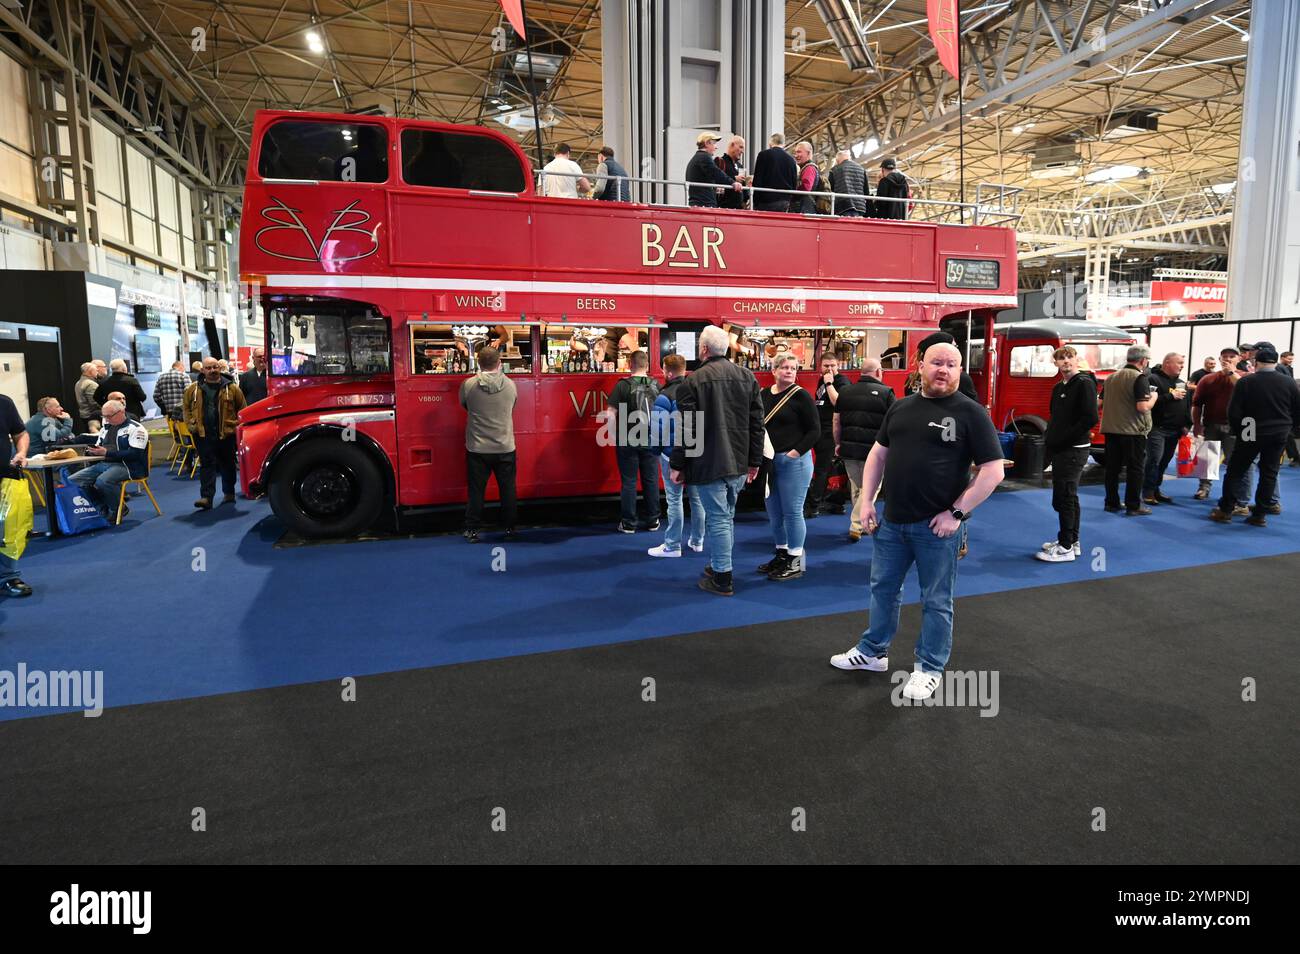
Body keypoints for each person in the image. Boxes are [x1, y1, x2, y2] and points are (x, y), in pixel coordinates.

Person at [829, 342, 1003, 700]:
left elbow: (993, 471)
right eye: (936, 362)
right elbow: (879, 453)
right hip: (892, 523)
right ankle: (874, 651)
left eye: (952, 365)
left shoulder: (971, 413)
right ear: (919, 366)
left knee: (936, 600)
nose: (944, 370)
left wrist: (956, 512)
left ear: (959, 371)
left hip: (937, 529)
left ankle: (929, 668)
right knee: (883, 590)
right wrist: (866, 502)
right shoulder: (901, 407)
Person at [669, 325, 765, 597]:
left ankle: (723, 576)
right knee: (726, 517)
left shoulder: (693, 381)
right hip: (738, 461)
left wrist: (678, 464)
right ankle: (718, 565)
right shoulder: (748, 377)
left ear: (704, 349)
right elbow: (757, 424)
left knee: (720, 519)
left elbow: (688, 428)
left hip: (708, 463)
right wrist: (754, 460)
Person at [1210, 346, 1300, 527]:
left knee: (1236, 471)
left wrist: (1239, 430)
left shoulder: (1246, 381)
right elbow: (1297, 410)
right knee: (1269, 473)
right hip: (1278, 433)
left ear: (1255, 362)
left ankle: (1226, 510)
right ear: (1275, 362)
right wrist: (1289, 428)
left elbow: (1234, 411)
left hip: (1250, 430)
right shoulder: (1289, 382)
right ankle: (1260, 514)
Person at [759, 355, 820, 581]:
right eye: (784, 367)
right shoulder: (764, 394)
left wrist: (794, 453)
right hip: (770, 461)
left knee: (793, 512)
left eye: (793, 368)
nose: (789, 371)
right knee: (774, 513)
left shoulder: (801, 396)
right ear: (774, 370)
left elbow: (814, 431)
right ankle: (782, 553)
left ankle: (796, 561)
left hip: (794, 463)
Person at [1037, 347, 1098, 562]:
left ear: (1076, 360)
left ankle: (1065, 548)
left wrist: (1064, 439)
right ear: (1055, 363)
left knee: (1065, 496)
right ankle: (1071, 540)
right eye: (1061, 358)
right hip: (1061, 449)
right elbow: (1055, 417)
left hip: (1074, 450)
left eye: (1069, 357)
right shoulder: (1058, 387)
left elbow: (1090, 418)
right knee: (1064, 496)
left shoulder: (1084, 383)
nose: (1066, 361)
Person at [459, 346, 518, 543]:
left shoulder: (468, 385)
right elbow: (512, 406)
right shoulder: (510, 385)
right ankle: (509, 528)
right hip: (505, 447)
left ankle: (472, 530)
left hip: (477, 447)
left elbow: (464, 405)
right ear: (499, 363)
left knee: (476, 491)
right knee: (507, 489)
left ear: (479, 363)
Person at [647, 354, 704, 558]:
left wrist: (655, 451)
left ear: (668, 372)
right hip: (696, 453)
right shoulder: (696, 391)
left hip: (671, 455)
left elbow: (657, 430)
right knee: (697, 499)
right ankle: (697, 541)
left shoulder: (665, 396)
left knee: (674, 499)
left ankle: (672, 545)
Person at [833, 357, 895, 542]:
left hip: (849, 449)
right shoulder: (887, 393)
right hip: (875, 451)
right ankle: (857, 524)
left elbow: (836, 421)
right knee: (871, 488)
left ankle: (862, 521)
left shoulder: (844, 392)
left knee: (858, 486)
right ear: (878, 372)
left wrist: (838, 443)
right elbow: (894, 423)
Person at [605, 350, 661, 533]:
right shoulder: (656, 385)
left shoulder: (623, 386)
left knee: (629, 482)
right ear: (647, 365)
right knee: (651, 480)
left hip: (628, 440)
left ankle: (629, 523)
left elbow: (610, 413)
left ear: (630, 364)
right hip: (651, 440)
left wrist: (613, 435)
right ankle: (653, 521)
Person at [68, 400, 149, 525]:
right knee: (73, 481)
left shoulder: (136, 429)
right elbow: (99, 446)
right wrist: (94, 451)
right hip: (105, 464)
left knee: (103, 481)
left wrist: (106, 453)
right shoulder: (106, 427)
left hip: (129, 466)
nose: (106, 419)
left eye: (109, 416)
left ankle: (117, 510)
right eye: (104, 416)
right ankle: (103, 508)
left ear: (121, 412)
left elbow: (135, 454)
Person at [1100, 345, 1157, 515]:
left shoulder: (1111, 378)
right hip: (1133, 431)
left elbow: (1099, 403)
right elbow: (1142, 407)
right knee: (1135, 469)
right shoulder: (1139, 378)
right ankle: (1133, 505)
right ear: (1144, 360)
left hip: (1111, 429)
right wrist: (1154, 398)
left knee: (1112, 469)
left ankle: (1111, 502)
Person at [183, 357, 247, 509]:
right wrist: (191, 425)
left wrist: (236, 426)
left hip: (226, 434)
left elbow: (243, 410)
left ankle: (229, 493)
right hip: (203, 435)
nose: (212, 370)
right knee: (206, 465)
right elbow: (186, 408)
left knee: (228, 464)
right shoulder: (193, 389)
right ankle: (206, 498)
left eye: (215, 367)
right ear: (203, 370)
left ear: (220, 368)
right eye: (208, 368)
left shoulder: (232, 389)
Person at [1190, 349, 1240, 502]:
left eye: (1232, 356)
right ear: (1219, 359)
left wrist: (1231, 374)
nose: (1228, 359)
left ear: (1238, 359)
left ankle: (1233, 493)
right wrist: (1196, 424)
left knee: (1235, 461)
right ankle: (1204, 487)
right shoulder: (1208, 379)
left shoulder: (1245, 378)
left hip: (1235, 427)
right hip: (1211, 424)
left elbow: (1244, 389)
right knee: (1207, 459)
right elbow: (1197, 404)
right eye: (1225, 357)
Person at [1142, 353, 1192, 506]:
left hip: (1175, 429)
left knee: (1164, 462)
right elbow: (1148, 402)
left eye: (1183, 363)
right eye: (1179, 363)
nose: (1182, 366)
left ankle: (1156, 488)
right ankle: (1148, 492)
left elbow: (1186, 406)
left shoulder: (1182, 383)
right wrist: (1171, 396)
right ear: (1167, 363)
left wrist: (1187, 425)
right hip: (1157, 428)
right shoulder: (1152, 379)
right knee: (1154, 460)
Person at [805, 352, 850, 518]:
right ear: (820, 366)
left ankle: (813, 506)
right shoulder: (821, 380)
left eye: (832, 365)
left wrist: (830, 383)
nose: (829, 369)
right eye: (826, 366)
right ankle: (835, 503)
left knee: (822, 469)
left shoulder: (841, 381)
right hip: (820, 430)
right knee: (828, 468)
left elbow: (839, 402)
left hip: (831, 431)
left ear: (837, 365)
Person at [0, 391, 32, 596]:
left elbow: (20, 433)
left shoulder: (3, 403)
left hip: (3, 477)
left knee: (6, 527)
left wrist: (21, 453)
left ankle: (8, 577)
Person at [685, 132, 742, 208]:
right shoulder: (704, 157)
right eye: (714, 143)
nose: (716, 147)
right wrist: (733, 182)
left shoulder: (698, 157)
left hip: (699, 203)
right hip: (704, 204)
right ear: (707, 143)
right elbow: (716, 173)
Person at [750, 133, 799, 213]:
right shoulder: (791, 160)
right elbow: (794, 184)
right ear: (783, 144)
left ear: (770, 143)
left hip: (765, 201)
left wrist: (755, 202)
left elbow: (757, 180)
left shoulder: (763, 155)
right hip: (784, 202)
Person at [827, 150, 869, 216]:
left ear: (837, 161)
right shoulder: (861, 169)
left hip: (842, 206)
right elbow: (866, 191)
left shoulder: (834, 170)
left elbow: (829, 189)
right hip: (860, 207)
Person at [715, 136, 747, 210]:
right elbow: (716, 180)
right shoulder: (720, 162)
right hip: (724, 207)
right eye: (741, 147)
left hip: (739, 209)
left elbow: (743, 187)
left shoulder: (740, 166)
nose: (742, 151)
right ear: (732, 145)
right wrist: (734, 178)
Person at [789, 141, 820, 215]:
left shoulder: (809, 168)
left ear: (808, 153)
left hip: (804, 210)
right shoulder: (808, 168)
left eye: (799, 152)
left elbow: (806, 187)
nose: (796, 155)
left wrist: (792, 195)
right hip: (806, 209)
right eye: (795, 152)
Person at [75, 362, 102, 431]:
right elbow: (94, 403)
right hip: (92, 416)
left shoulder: (78, 382)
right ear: (90, 372)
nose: (97, 372)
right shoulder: (91, 384)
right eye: (96, 370)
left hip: (84, 415)